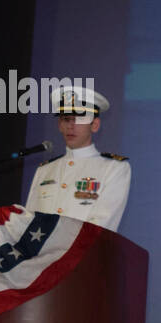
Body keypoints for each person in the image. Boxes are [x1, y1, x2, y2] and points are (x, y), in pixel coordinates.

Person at [26, 87, 130, 232]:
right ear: (59, 125)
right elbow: (29, 223)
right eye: (66, 119)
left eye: (79, 118)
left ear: (94, 125)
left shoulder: (113, 168)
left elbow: (102, 225)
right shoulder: (45, 170)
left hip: (84, 253)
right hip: (42, 254)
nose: (71, 126)